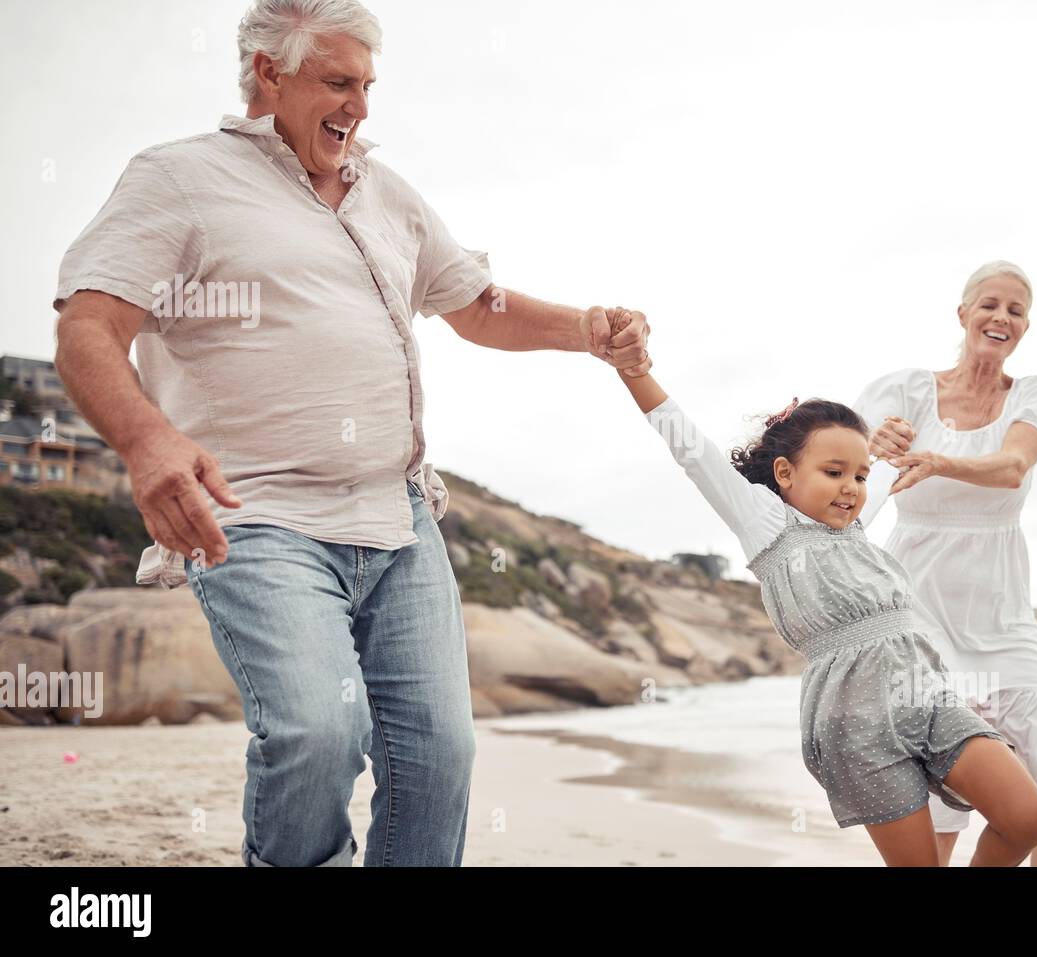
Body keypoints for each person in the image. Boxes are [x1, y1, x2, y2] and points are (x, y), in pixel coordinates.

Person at [50, 0, 651, 867]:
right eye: (338, 81)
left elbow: (478, 308)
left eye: (367, 85)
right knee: (319, 733)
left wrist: (588, 329)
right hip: (256, 519)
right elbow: (87, 328)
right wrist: (148, 441)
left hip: (398, 522)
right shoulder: (179, 179)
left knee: (440, 756)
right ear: (269, 73)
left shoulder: (388, 194)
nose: (360, 106)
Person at [612, 323, 1037, 865]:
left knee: (1029, 818)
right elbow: (691, 450)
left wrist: (889, 447)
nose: (851, 487)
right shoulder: (766, 523)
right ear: (785, 473)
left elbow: (881, 488)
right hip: (854, 720)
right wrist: (636, 371)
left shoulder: (854, 527)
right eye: (834, 472)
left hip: (929, 698)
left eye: (861, 476)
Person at [852, 260, 1037, 866]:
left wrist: (939, 462)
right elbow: (850, 455)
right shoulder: (907, 389)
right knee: (943, 782)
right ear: (963, 315)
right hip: (918, 613)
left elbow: (1013, 466)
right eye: (989, 305)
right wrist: (874, 442)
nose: (1000, 317)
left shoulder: (1032, 395)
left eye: (1015, 310)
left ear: (1025, 327)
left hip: (1002, 613)